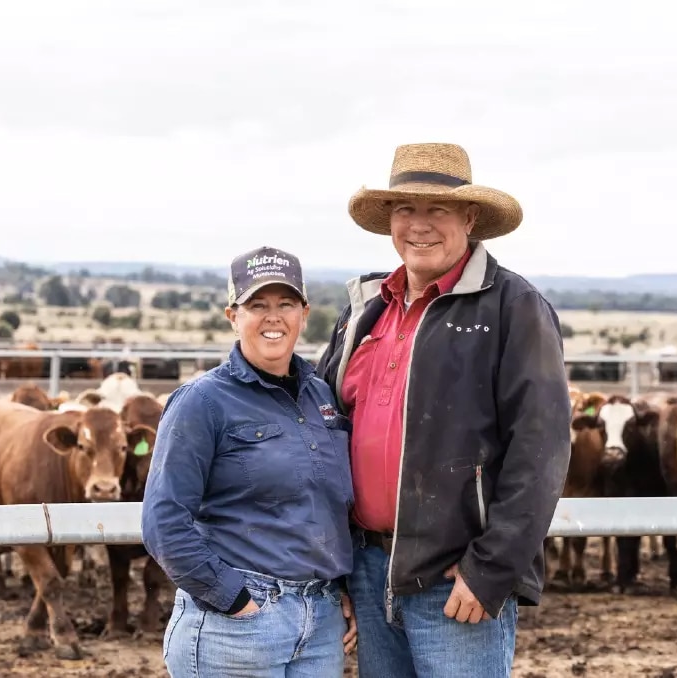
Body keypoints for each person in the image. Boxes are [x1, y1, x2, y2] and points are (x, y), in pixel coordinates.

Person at [316, 142, 572, 677]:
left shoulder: (512, 308)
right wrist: (334, 564)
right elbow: (324, 430)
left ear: (470, 217)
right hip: (368, 567)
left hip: (457, 577)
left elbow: (541, 450)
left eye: (438, 210)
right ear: (390, 219)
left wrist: (491, 569)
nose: (419, 225)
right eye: (405, 209)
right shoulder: (366, 309)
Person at [142, 245, 358, 677]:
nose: (273, 317)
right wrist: (234, 599)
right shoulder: (202, 401)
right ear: (233, 316)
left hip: (320, 622)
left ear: (304, 313)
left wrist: (340, 586)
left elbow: (332, 505)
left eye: (285, 304)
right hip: (236, 626)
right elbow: (163, 520)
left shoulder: (322, 395)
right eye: (257, 305)